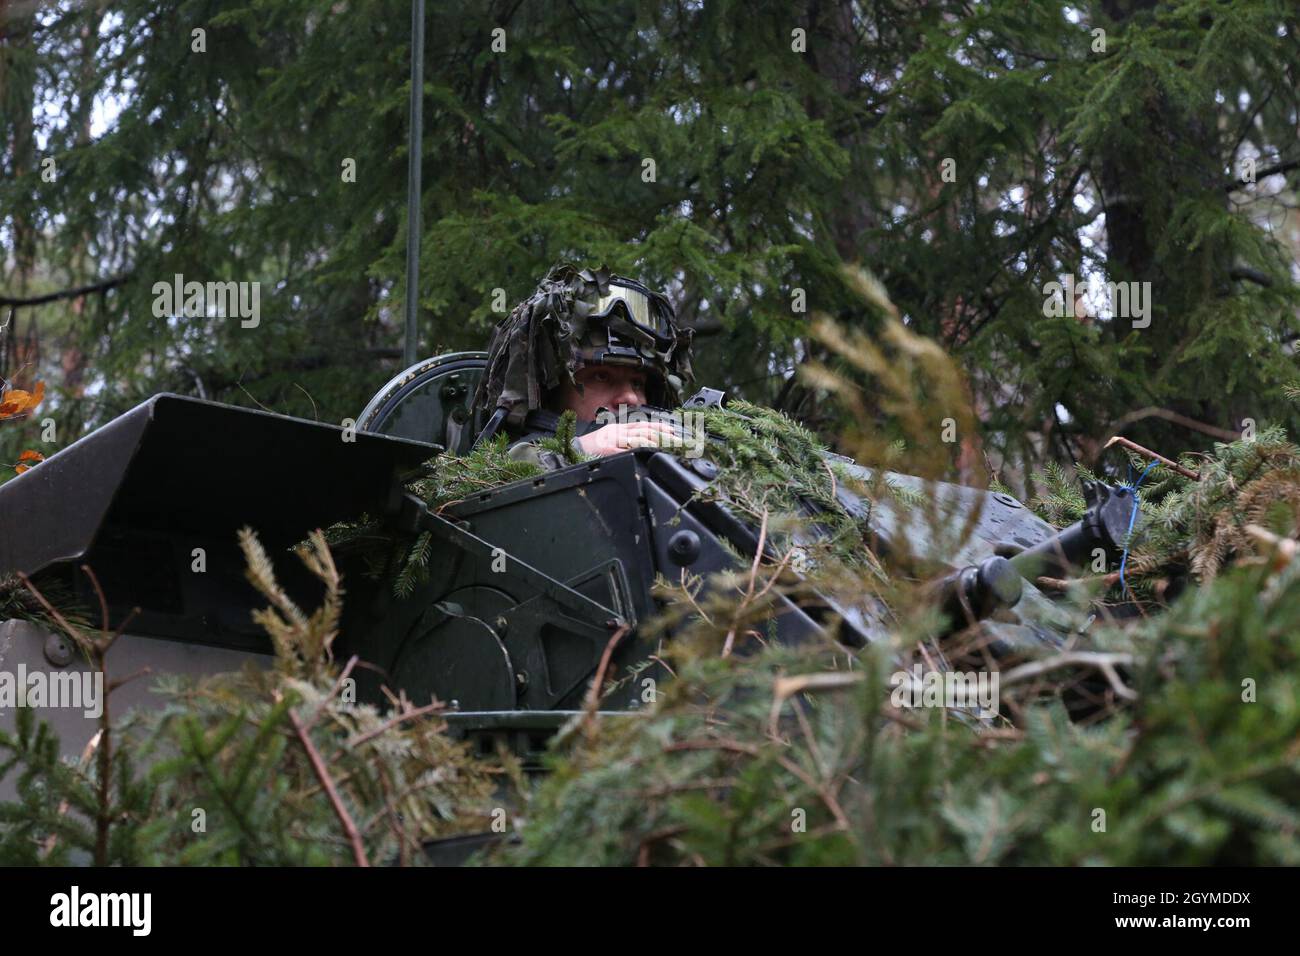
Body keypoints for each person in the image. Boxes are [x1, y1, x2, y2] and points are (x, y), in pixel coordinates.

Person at [470, 262, 696, 469]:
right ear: (550, 392)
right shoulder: (507, 463)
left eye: (637, 383)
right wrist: (577, 451)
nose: (631, 398)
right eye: (601, 377)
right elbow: (486, 480)